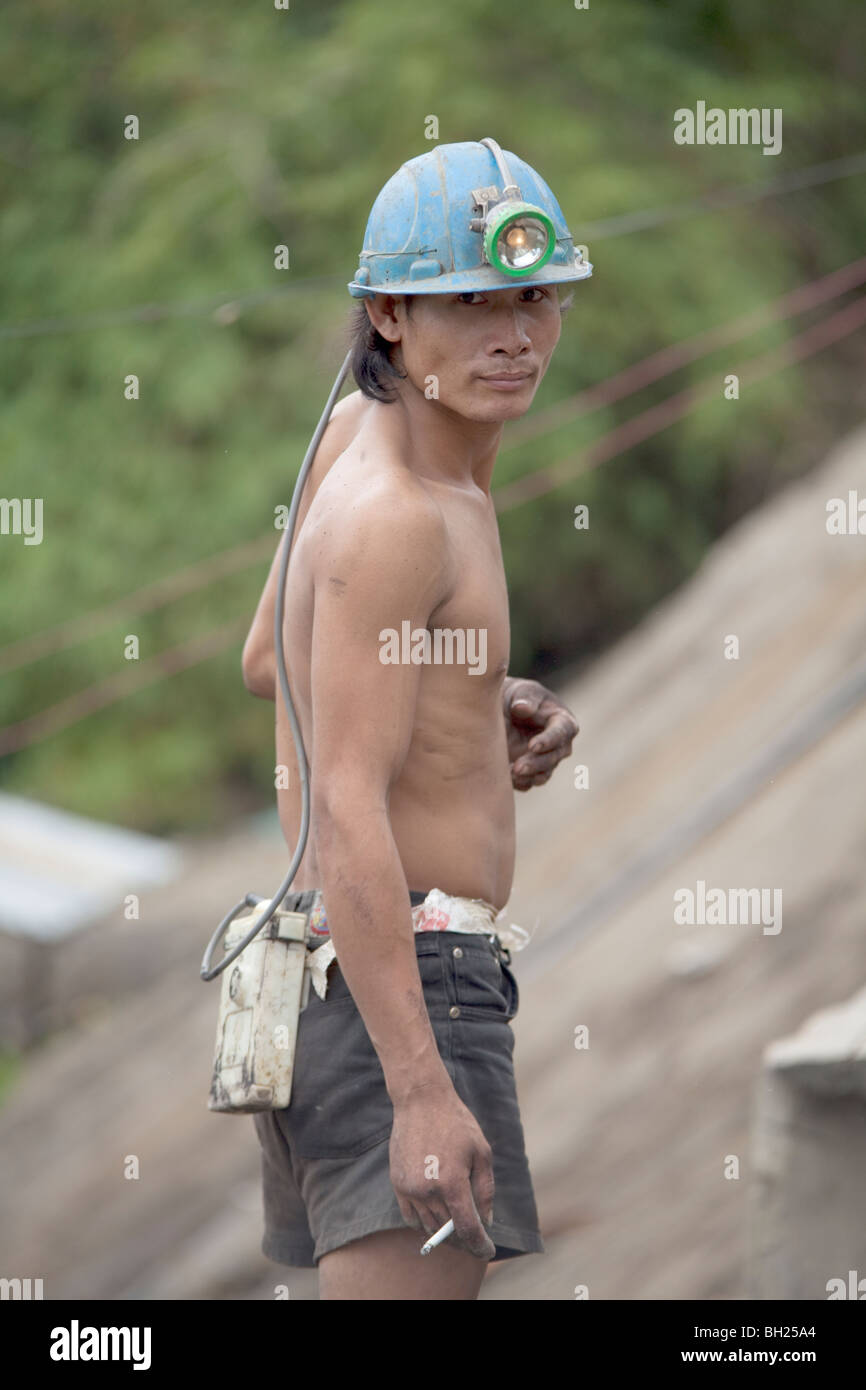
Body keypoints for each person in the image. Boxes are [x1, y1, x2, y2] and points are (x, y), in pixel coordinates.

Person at [240, 140, 586, 1300]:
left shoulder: (365, 439)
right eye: (469, 303)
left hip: (338, 983)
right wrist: (421, 1086)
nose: (512, 335)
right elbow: (343, 797)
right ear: (387, 312)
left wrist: (467, 701)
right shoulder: (401, 514)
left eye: (534, 298)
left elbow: (267, 662)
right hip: (402, 984)